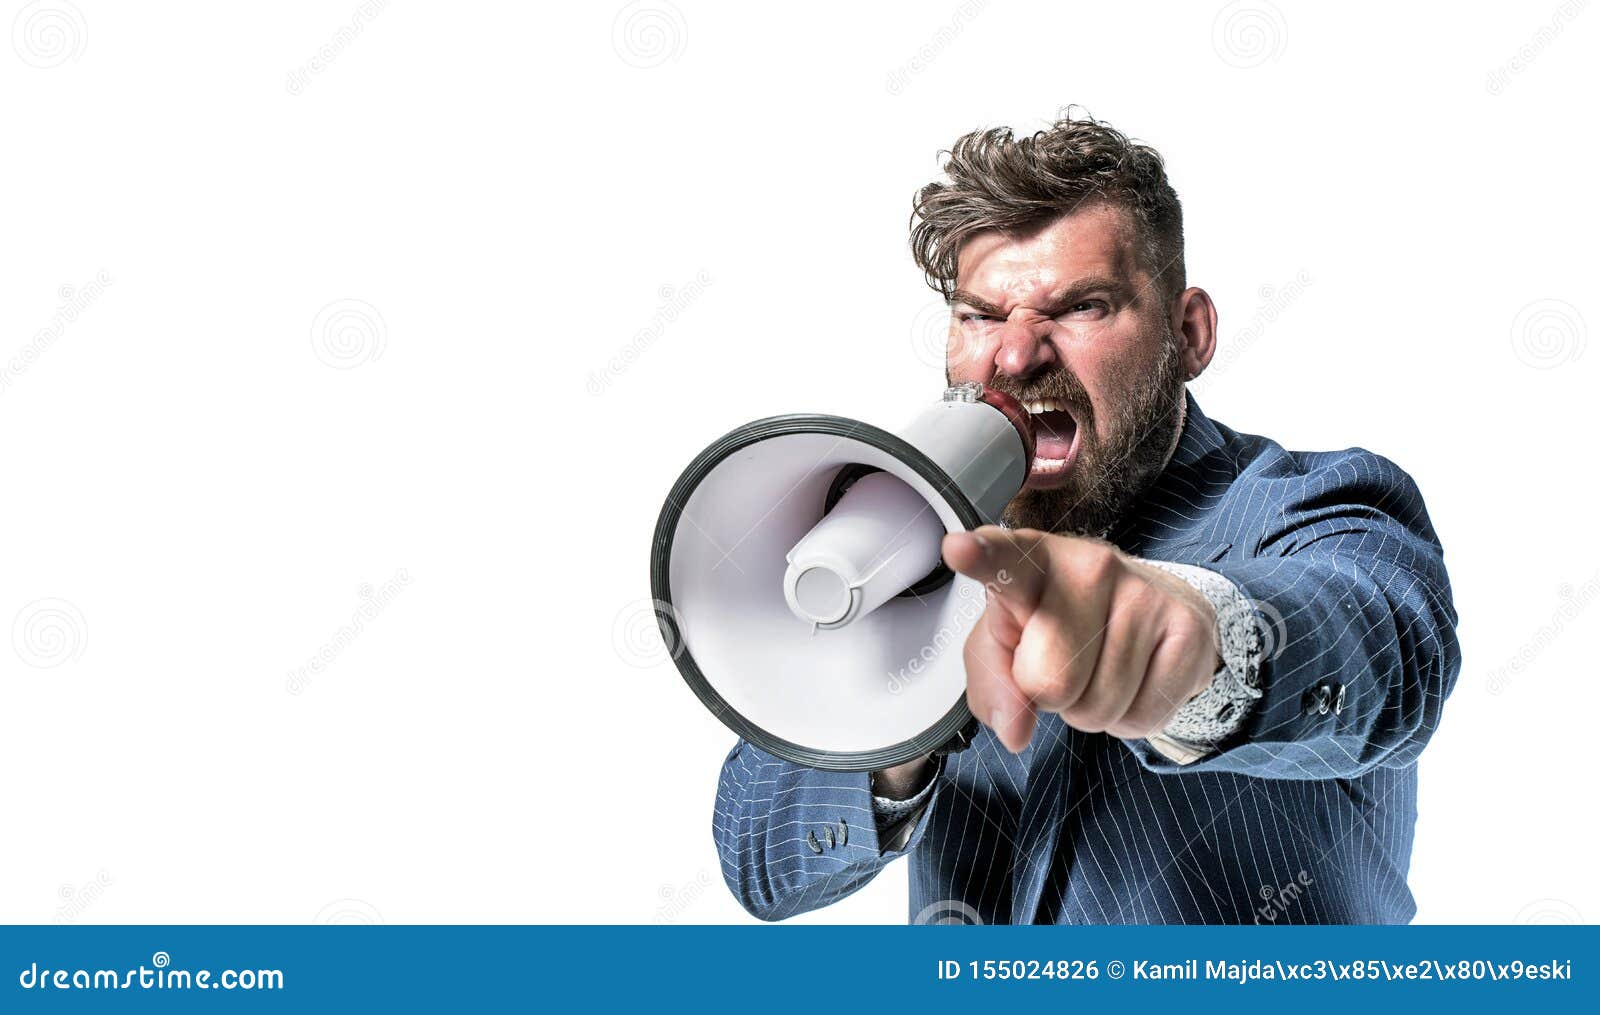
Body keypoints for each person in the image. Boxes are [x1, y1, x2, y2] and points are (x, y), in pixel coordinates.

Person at [713, 111, 1460, 924]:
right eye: (981, 316)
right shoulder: (910, 545)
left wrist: (1194, 646)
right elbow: (760, 864)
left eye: (1081, 308)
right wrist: (900, 708)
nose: (1015, 355)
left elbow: (1390, 655)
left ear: (1189, 334)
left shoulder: (1315, 502)